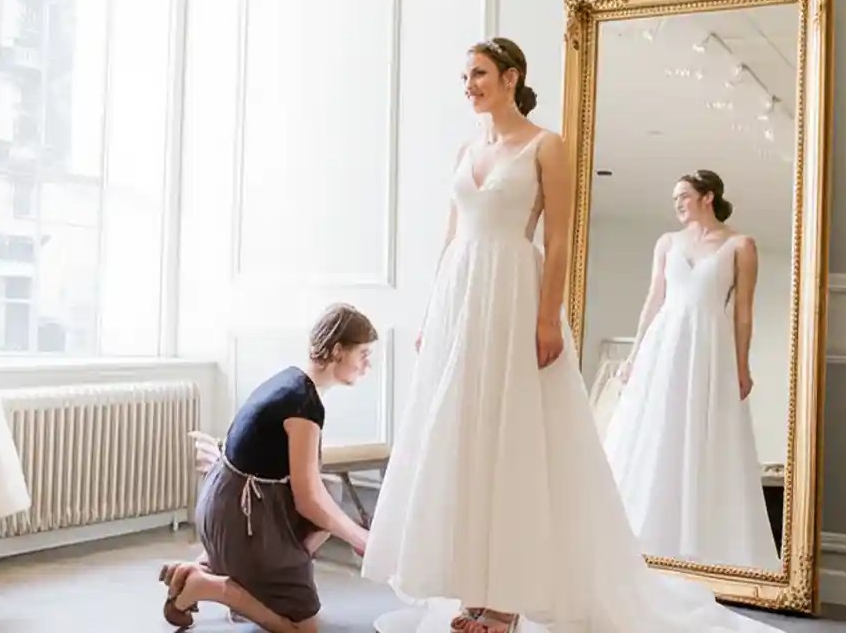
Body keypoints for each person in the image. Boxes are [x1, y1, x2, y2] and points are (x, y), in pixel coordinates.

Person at [359, 38, 781, 632]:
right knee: (464, 433)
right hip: (462, 299)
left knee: (516, 438)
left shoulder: (546, 145)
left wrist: (546, 317)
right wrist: (433, 316)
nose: (468, 85)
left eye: (478, 74)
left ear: (511, 77)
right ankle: (469, 587)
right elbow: (451, 241)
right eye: (465, 76)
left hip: (513, 292)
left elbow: (558, 239)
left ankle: (506, 599)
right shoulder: (465, 149)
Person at [159, 303, 377, 632]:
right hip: (239, 519)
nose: (367, 364)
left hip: (223, 508)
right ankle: (210, 586)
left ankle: (211, 568)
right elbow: (308, 500)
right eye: (362, 354)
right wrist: (360, 537)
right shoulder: (304, 406)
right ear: (337, 352)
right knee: (303, 629)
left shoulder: (291, 381)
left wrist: (350, 531)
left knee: (328, 505)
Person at [603, 170, 780, 571]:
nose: (677, 203)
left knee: (704, 434)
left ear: (708, 196)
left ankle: (700, 547)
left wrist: (742, 364)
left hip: (710, 347)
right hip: (665, 344)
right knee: (657, 428)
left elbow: (744, 314)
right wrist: (634, 355)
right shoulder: (667, 243)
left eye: (683, 196)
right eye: (674, 199)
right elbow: (654, 299)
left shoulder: (741, 246)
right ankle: (645, 541)